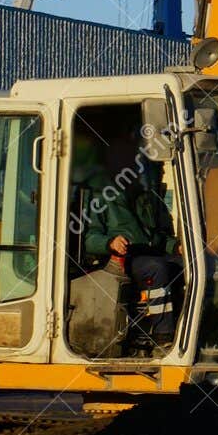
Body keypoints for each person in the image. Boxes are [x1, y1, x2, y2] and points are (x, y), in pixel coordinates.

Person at [69, 124, 183, 348]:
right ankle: (163, 334)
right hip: (122, 258)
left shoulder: (146, 197)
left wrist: (176, 247)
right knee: (157, 268)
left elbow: (158, 237)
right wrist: (110, 243)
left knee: (188, 266)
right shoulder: (100, 196)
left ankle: (184, 326)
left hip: (150, 253)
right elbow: (89, 238)